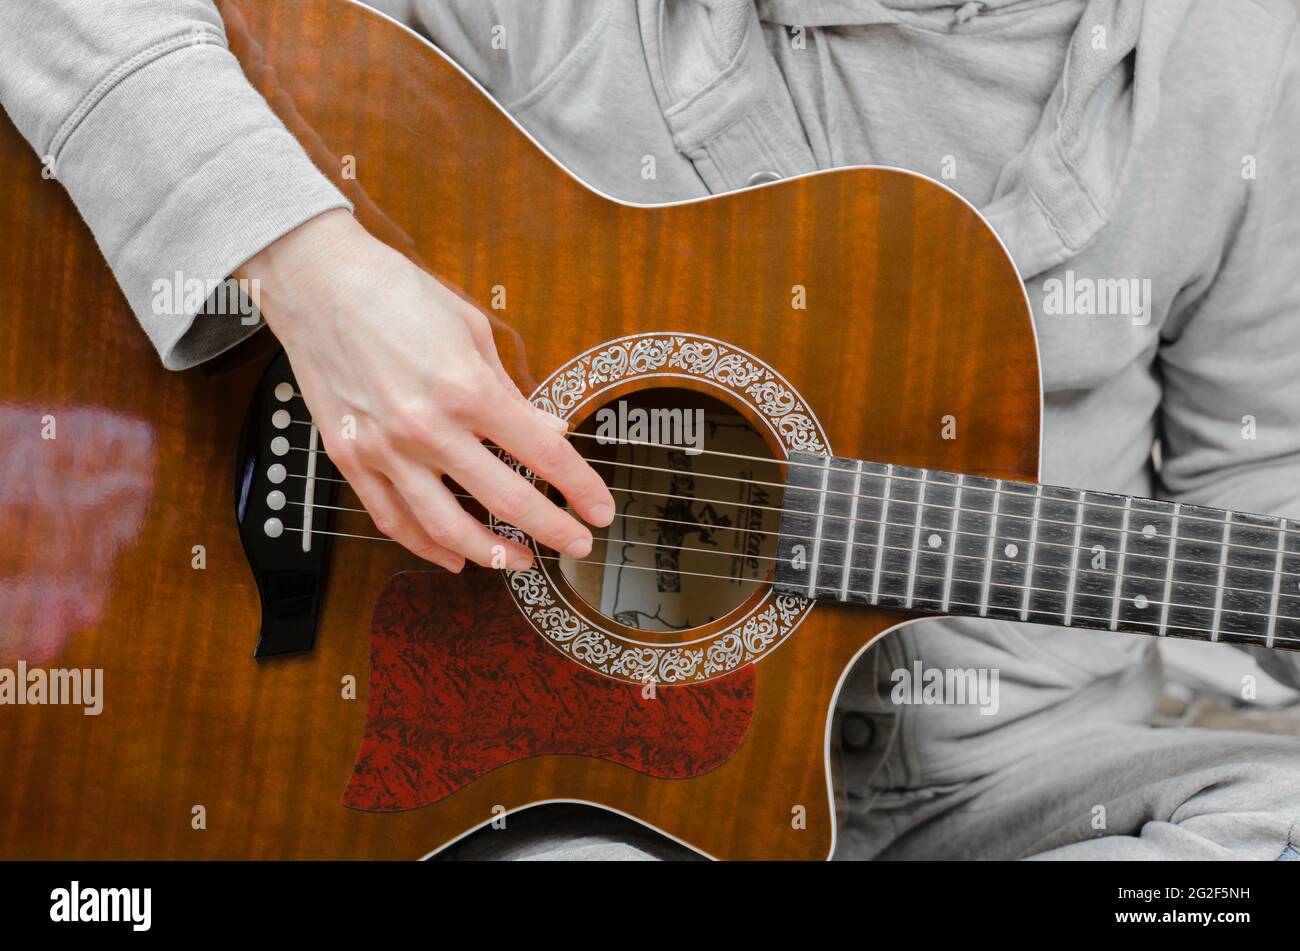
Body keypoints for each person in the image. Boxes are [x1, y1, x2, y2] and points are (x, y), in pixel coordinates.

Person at [3, 0, 1299, 860]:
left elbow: (1259, 485)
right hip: (575, 798)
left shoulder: (1251, 48)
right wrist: (308, 269)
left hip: (1038, 777)